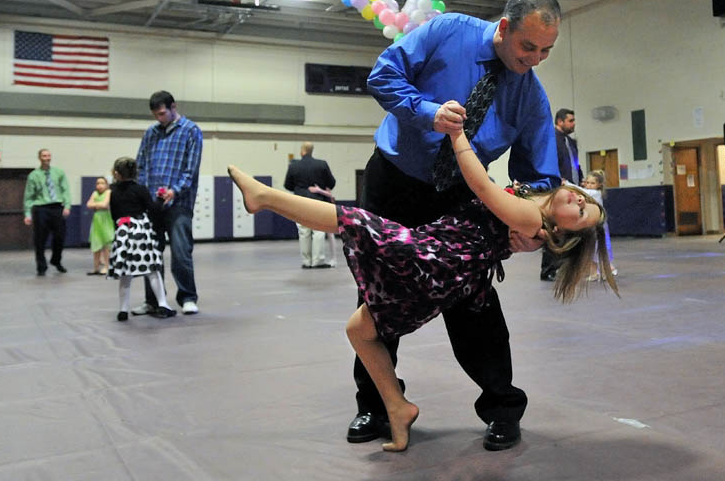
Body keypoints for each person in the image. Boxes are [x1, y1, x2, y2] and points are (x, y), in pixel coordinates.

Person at [227, 126, 615, 451]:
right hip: (437, 260)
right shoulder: (532, 201)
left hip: (435, 261)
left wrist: (458, 135)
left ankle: (265, 197)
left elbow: (481, 186)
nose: (578, 198)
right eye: (583, 198)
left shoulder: (530, 217)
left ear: (562, 232)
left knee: (357, 223)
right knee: (359, 330)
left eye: (581, 211)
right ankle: (396, 407)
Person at [348, 0, 563, 451]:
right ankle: (377, 405)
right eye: (528, 47)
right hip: (393, 179)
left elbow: (540, 180)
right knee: (377, 295)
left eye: (546, 51)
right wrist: (427, 112)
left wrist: (531, 228)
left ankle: (502, 408)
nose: (535, 60)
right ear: (503, 28)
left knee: (474, 300)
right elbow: (383, 75)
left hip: (459, 194)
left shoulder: (530, 98)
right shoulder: (448, 31)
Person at [132, 91, 203, 316]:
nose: (159, 118)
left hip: (179, 203)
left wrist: (175, 190)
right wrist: (143, 194)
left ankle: (188, 298)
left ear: (173, 107)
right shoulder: (150, 133)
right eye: (156, 115)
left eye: (162, 113)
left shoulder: (191, 131)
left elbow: (191, 170)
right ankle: (153, 300)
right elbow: (141, 165)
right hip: (153, 204)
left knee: (181, 252)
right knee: (151, 253)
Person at [108, 157, 175, 321]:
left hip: (123, 232)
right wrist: (160, 199)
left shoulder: (113, 191)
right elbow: (153, 209)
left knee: (125, 274)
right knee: (152, 270)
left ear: (116, 173)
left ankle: (123, 310)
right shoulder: (140, 189)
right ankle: (163, 304)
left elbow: (114, 215)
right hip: (140, 232)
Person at [541, 108, 583, 282]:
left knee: (570, 231)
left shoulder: (570, 142)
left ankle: (566, 268)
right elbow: (548, 161)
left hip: (573, 188)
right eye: (570, 121)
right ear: (560, 121)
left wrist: (580, 180)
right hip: (557, 189)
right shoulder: (551, 139)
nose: (573, 124)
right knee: (555, 230)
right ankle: (549, 269)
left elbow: (575, 164)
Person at [284, 142, 336, 269]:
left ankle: (306, 261)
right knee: (318, 231)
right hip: (318, 202)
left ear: (302, 151)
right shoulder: (322, 164)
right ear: (311, 151)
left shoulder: (293, 166)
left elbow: (287, 185)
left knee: (303, 232)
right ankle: (318, 260)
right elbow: (331, 183)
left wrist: (299, 189)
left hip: (300, 202)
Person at [23, 148, 71, 275]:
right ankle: (41, 266)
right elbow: (28, 196)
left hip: (57, 207)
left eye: (49, 155)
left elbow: (65, 190)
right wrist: (27, 214)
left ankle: (56, 260)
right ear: (39, 158)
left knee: (60, 237)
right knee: (40, 239)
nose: (47, 158)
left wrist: (67, 206)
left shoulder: (59, 172)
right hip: (41, 208)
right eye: (44, 156)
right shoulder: (33, 175)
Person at [582, 170, 618, 280]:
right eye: (587, 183)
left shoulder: (596, 194)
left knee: (600, 249)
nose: (589, 185)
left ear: (599, 185)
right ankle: (594, 273)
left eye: (592, 183)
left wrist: (567, 184)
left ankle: (608, 270)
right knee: (590, 250)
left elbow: (580, 190)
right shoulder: (587, 193)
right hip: (589, 225)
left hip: (598, 226)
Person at [86, 176, 115, 275]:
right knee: (96, 244)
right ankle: (96, 267)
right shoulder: (94, 193)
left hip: (106, 219)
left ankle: (107, 266)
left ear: (106, 184)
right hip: (96, 220)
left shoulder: (108, 192)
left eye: (102, 183)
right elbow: (88, 204)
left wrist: (95, 204)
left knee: (106, 245)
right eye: (98, 183)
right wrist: (98, 205)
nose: (100, 185)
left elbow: (105, 204)